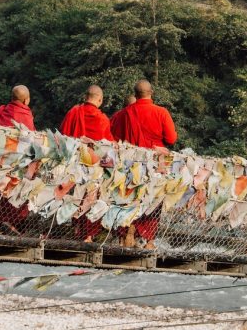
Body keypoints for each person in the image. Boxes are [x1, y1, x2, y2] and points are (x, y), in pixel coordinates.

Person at [111, 80, 177, 249]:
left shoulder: (123, 114)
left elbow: (113, 137)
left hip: (129, 164)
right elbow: (171, 139)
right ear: (151, 92)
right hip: (155, 164)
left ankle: (125, 234)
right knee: (153, 199)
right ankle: (148, 240)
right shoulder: (161, 112)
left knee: (127, 198)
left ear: (135, 93)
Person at [59, 85, 113, 242]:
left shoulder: (73, 112)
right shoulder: (102, 119)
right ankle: (88, 235)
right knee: (91, 197)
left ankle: (76, 229)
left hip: (74, 166)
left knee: (76, 196)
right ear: (100, 100)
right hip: (94, 169)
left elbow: (63, 135)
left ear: (85, 97)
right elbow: (107, 146)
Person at [0, 85, 35, 235]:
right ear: (26, 100)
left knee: (0, 192)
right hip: (19, 164)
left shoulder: (2, 110)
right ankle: (12, 224)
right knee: (18, 193)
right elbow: (31, 138)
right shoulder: (26, 114)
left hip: (1, 161)